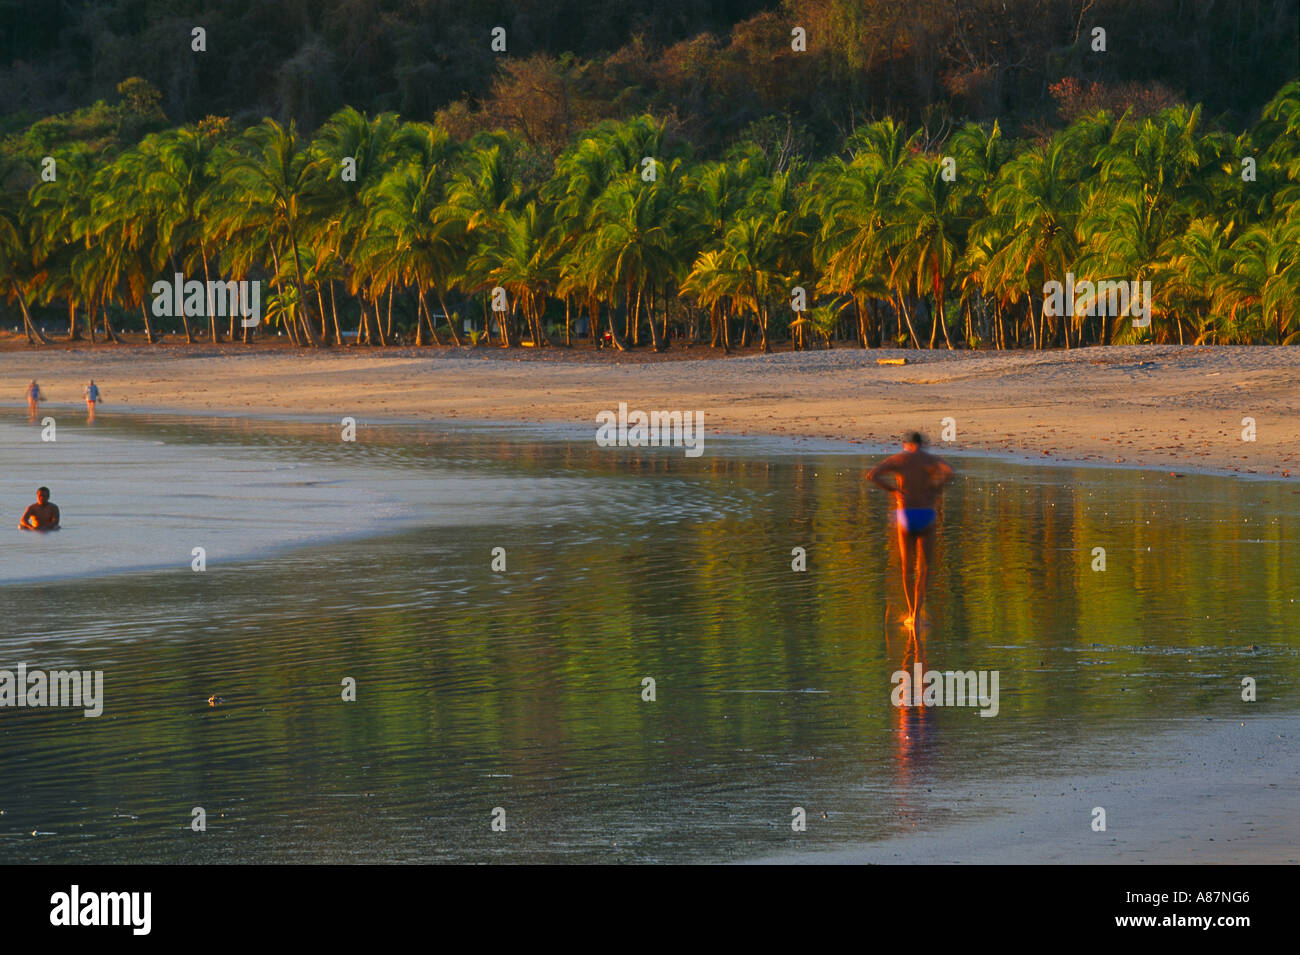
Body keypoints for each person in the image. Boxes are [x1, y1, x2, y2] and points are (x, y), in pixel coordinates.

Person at [868, 432, 955, 630]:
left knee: (906, 566)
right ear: (922, 444)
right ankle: (917, 614)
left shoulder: (898, 459)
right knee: (923, 567)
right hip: (926, 512)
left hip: (906, 513)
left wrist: (893, 490)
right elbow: (950, 471)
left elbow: (872, 475)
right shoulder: (930, 459)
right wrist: (935, 488)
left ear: (906, 444)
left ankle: (910, 613)